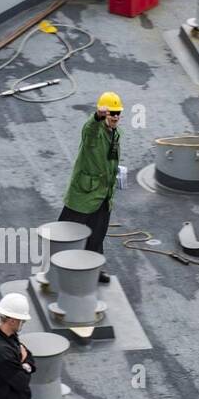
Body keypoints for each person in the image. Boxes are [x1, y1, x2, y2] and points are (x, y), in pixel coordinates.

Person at [58, 92, 123, 283]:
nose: (116, 116)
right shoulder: (94, 132)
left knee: (97, 235)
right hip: (84, 193)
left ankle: (93, 270)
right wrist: (97, 117)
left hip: (104, 194)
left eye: (118, 113)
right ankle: (59, 269)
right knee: (67, 231)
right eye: (112, 113)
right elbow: (90, 129)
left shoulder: (116, 133)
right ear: (104, 114)